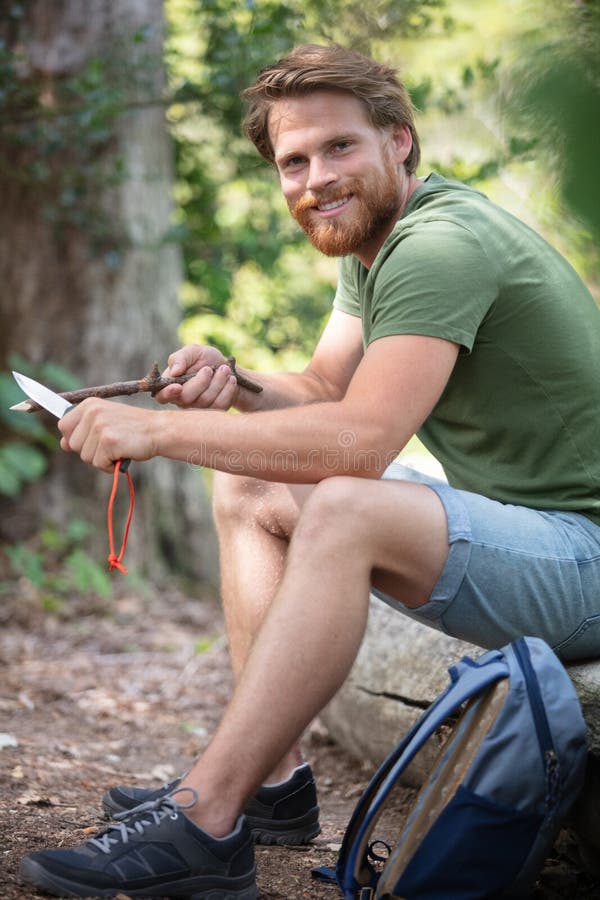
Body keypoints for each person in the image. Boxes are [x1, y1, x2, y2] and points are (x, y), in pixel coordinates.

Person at [21, 42, 600, 899]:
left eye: (339, 148)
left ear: (398, 140)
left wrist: (157, 432)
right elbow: (326, 387)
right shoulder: (377, 243)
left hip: (585, 557)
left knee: (344, 508)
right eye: (294, 161)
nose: (317, 178)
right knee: (252, 479)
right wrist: (233, 383)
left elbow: (360, 444)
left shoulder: (440, 245)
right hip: (534, 534)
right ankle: (272, 786)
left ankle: (204, 821)